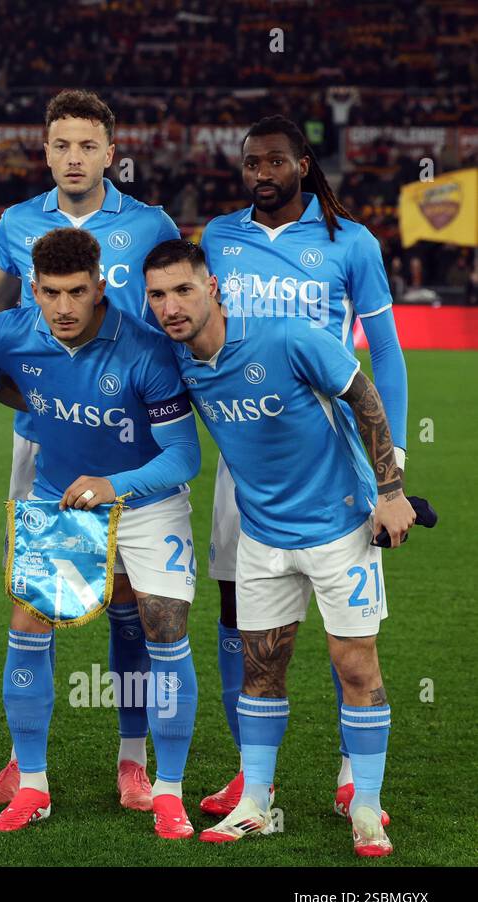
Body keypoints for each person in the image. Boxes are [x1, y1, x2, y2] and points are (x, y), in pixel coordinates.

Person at [0, 227, 201, 838]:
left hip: (147, 499)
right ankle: (34, 783)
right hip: (59, 499)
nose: (65, 308)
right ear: (34, 291)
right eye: (50, 293)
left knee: (161, 625)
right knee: (26, 627)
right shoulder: (13, 329)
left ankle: (161, 784)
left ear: (101, 285)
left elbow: (184, 457)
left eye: (78, 292)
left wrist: (113, 484)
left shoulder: (147, 349)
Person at [144, 239, 412, 856]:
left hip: (340, 526)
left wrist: (392, 490)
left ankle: (366, 806)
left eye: (183, 289)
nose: (170, 305)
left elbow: (363, 395)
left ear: (213, 287)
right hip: (260, 537)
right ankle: (256, 804)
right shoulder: (176, 362)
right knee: (261, 671)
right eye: (157, 295)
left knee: (356, 666)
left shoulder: (288, 336)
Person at [197, 116, 408, 821]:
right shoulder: (219, 239)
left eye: (275, 162)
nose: (261, 172)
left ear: (302, 165)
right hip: (246, 454)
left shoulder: (350, 241)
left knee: (343, 623)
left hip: (333, 453)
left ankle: (354, 768)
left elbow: (387, 348)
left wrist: (394, 464)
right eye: (251, 161)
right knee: (243, 611)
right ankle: (251, 774)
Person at [0, 90, 182, 811]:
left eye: (87, 146)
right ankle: (20, 760)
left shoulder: (150, 223)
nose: (73, 158)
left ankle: (133, 758)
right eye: (61, 145)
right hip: (44, 443)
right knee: (39, 596)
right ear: (45, 149)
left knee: (126, 599)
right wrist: (38, 393)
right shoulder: (17, 223)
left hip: (130, 446)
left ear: (110, 152)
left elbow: (171, 312)